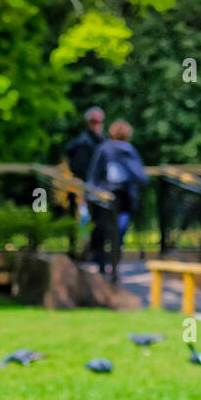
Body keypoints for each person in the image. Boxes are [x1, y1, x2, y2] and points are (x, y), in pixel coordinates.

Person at [87, 119, 148, 277]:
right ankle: (108, 264)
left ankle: (110, 265)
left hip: (117, 198)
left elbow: (94, 176)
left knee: (113, 232)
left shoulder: (123, 150)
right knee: (111, 232)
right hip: (111, 198)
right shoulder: (112, 150)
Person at [64, 107, 104, 183]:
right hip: (84, 188)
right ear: (87, 123)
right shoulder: (83, 143)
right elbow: (80, 171)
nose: (97, 125)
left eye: (99, 121)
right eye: (93, 122)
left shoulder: (101, 141)